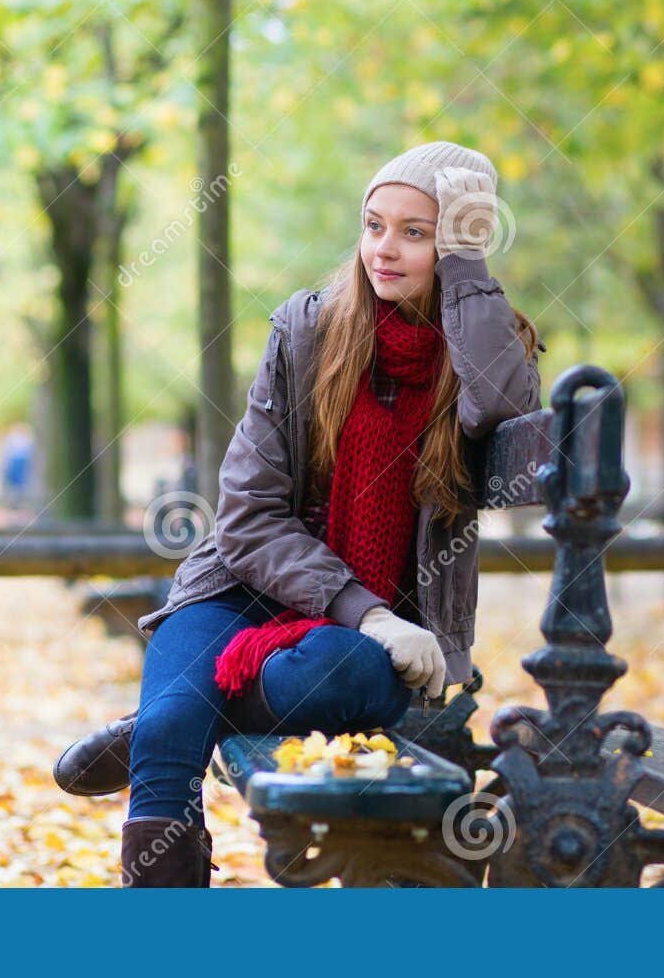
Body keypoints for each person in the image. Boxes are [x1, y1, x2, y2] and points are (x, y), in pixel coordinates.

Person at [52, 141, 543, 887]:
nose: (385, 247)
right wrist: (364, 608)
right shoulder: (309, 329)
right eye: (373, 224)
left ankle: (185, 707)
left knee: (322, 681)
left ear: (457, 240)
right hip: (241, 589)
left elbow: (502, 405)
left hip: (378, 643)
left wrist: (469, 270)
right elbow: (247, 516)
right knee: (167, 741)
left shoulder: (488, 342)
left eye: (416, 232)